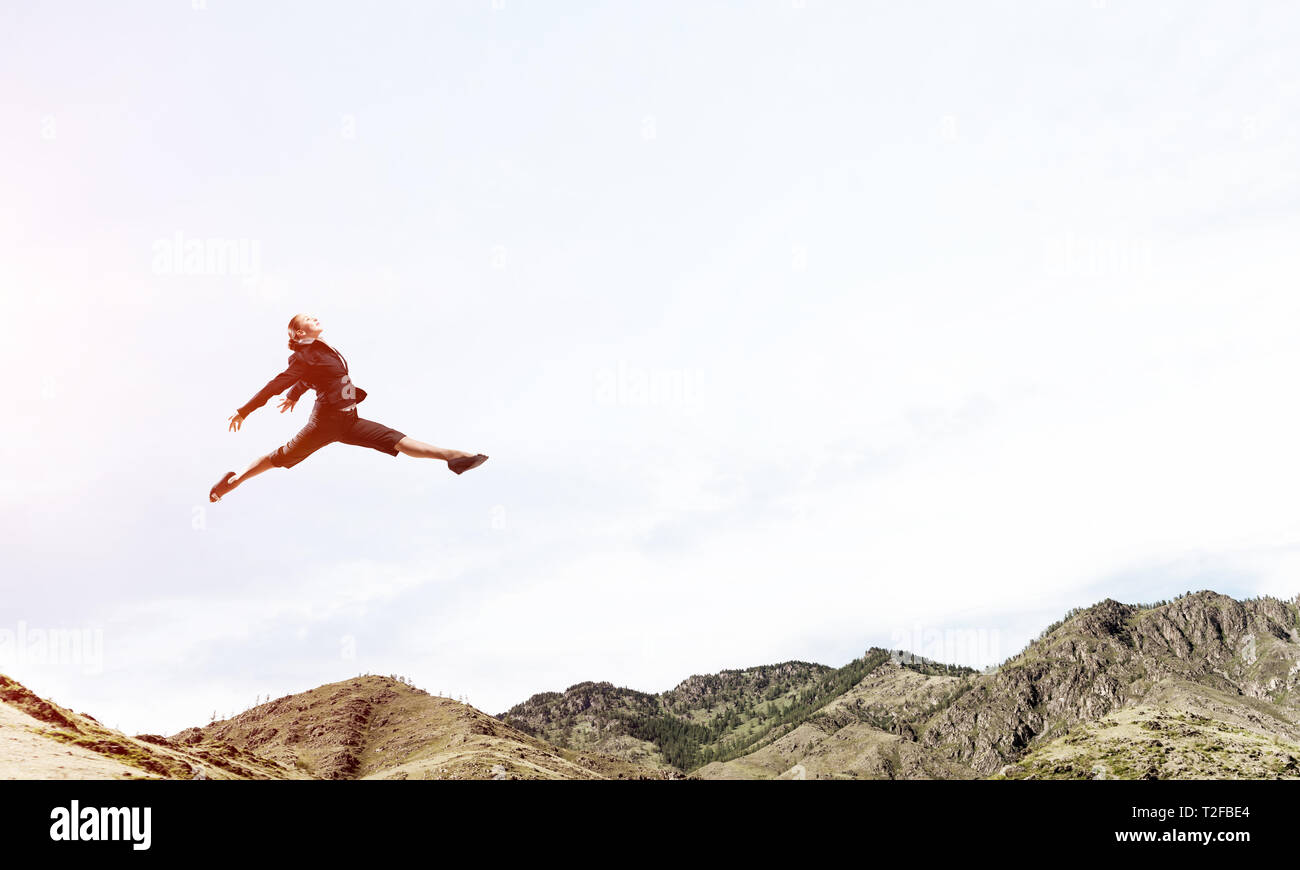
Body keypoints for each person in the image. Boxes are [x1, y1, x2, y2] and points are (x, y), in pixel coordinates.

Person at [209, 313, 487, 503]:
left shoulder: (319, 348)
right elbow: (275, 385)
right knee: (279, 458)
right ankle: (232, 483)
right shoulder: (302, 357)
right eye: (307, 319)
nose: (313, 318)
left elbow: (313, 377)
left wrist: (295, 394)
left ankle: (455, 457)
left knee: (396, 440)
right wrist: (245, 410)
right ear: (300, 332)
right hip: (324, 424)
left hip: (350, 420)